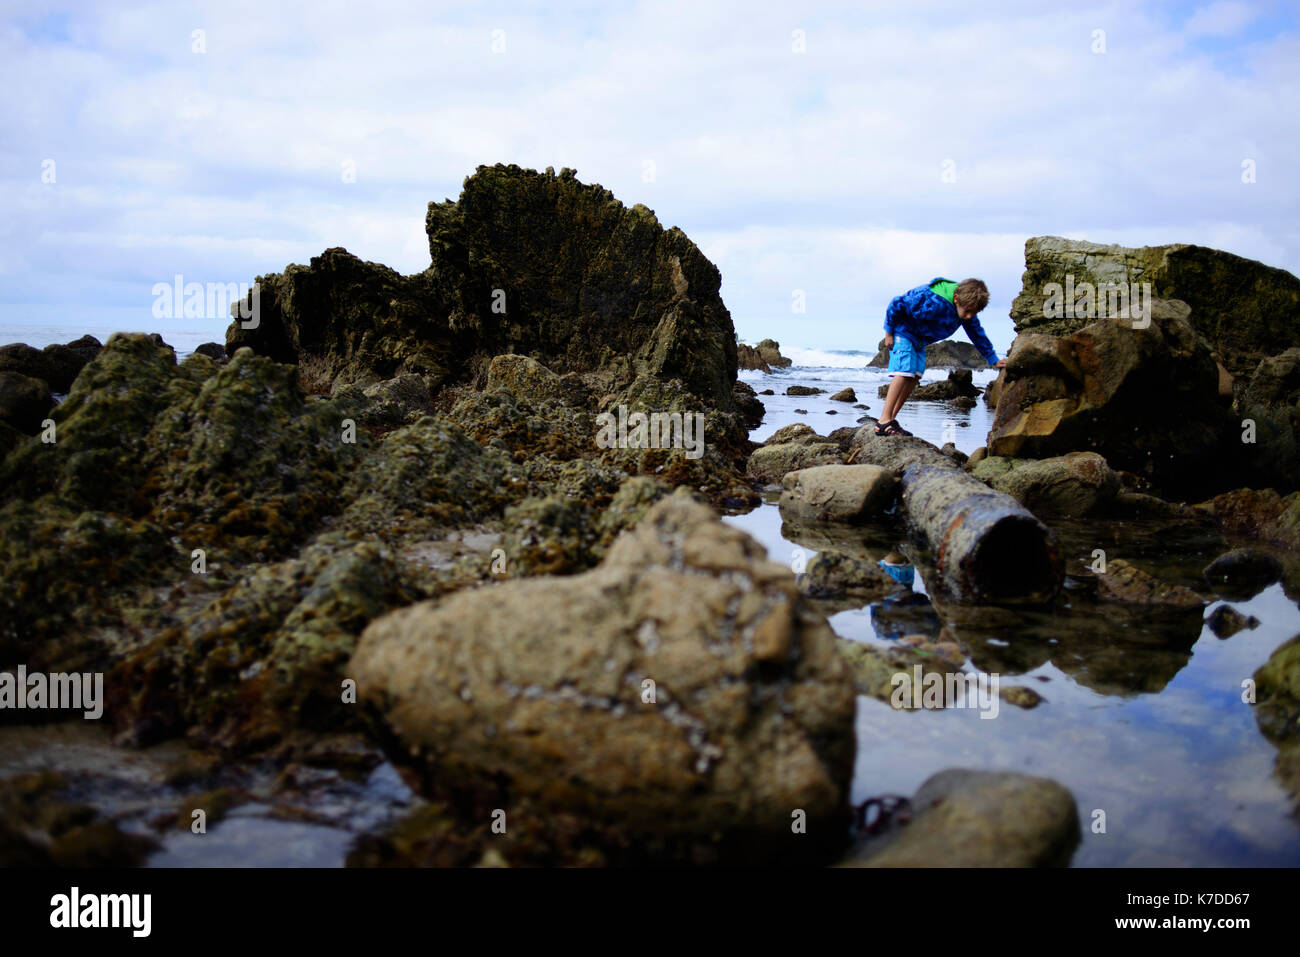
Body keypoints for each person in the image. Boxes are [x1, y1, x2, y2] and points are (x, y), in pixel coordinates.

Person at [876, 277, 1006, 436]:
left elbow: (977, 334)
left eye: (974, 313)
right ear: (956, 299)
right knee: (904, 372)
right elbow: (896, 303)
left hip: (919, 340)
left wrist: (993, 359)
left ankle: (891, 420)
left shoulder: (966, 309)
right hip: (903, 332)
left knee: (914, 376)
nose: (970, 316)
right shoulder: (932, 299)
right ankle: (883, 420)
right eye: (968, 311)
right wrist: (888, 332)